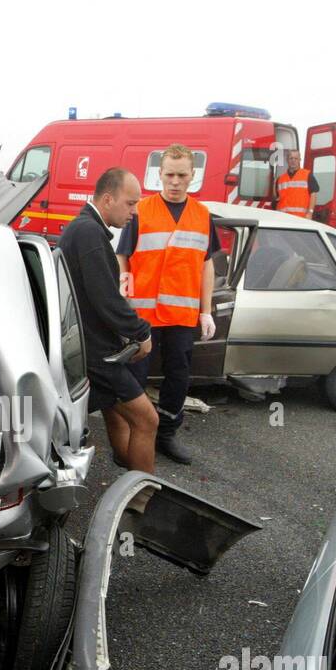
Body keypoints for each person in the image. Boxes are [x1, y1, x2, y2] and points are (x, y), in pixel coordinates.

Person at [115, 144, 219, 465]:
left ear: (192, 176)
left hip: (182, 316)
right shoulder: (141, 210)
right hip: (142, 315)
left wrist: (206, 310)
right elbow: (123, 256)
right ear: (159, 175)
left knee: (179, 376)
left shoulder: (202, 216)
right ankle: (132, 435)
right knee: (135, 377)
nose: (175, 181)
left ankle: (167, 433)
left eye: (181, 175)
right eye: (169, 174)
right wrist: (124, 296)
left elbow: (207, 264)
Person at [57, 167, 158, 473]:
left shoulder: (85, 229)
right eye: (130, 203)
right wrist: (141, 332)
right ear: (107, 198)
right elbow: (106, 299)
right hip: (99, 353)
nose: (135, 211)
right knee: (146, 419)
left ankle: (128, 469)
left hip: (86, 346)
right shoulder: (88, 233)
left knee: (116, 414)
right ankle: (143, 498)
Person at [274, 149, 318, 219]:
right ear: (287, 160)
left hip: (300, 219)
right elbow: (276, 199)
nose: (293, 160)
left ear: (300, 160)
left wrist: (310, 213)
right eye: (291, 158)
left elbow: (314, 195)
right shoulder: (280, 179)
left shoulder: (308, 175)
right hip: (282, 219)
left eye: (296, 158)